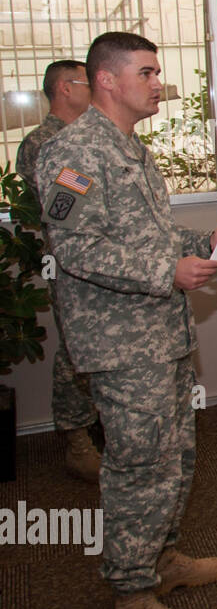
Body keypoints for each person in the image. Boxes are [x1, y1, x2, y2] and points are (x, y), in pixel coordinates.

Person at [37, 31, 217, 609]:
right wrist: (166, 271)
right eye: (147, 72)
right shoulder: (74, 153)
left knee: (174, 457)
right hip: (122, 345)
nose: (159, 83)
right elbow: (75, 248)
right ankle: (132, 601)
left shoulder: (131, 147)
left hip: (162, 335)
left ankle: (161, 558)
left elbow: (148, 234)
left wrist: (203, 243)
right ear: (107, 79)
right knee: (138, 469)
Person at [16, 59, 98, 480]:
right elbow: (63, 212)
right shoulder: (44, 143)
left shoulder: (93, 136)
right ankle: (77, 441)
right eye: (87, 82)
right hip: (71, 265)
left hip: (107, 262)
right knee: (75, 351)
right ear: (65, 88)